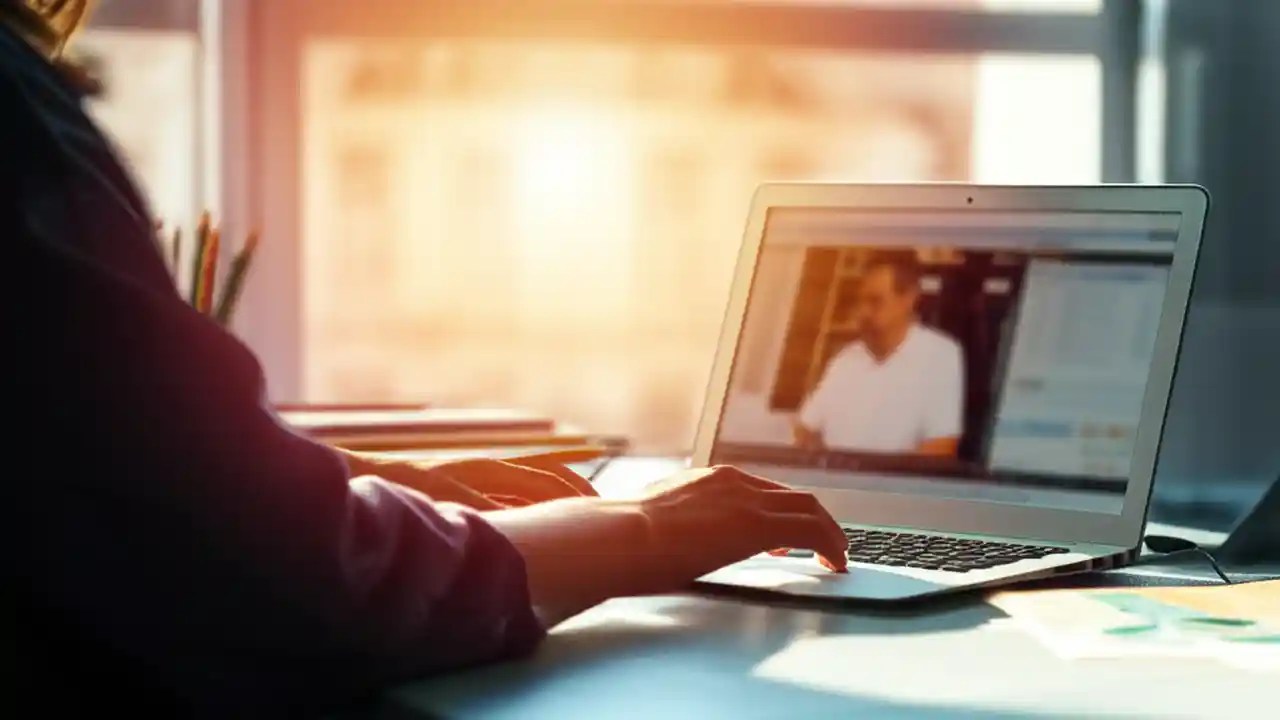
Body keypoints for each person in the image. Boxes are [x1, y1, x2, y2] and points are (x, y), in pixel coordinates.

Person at [3, 2, 846, 716]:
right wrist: (642, 529)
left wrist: (363, 479)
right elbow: (288, 578)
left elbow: (103, 467)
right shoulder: (19, 121)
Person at [794, 253, 964, 457]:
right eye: (860, 302)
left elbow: (940, 449)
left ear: (908, 299)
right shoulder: (845, 359)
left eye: (875, 301)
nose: (863, 313)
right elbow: (804, 430)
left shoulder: (939, 356)